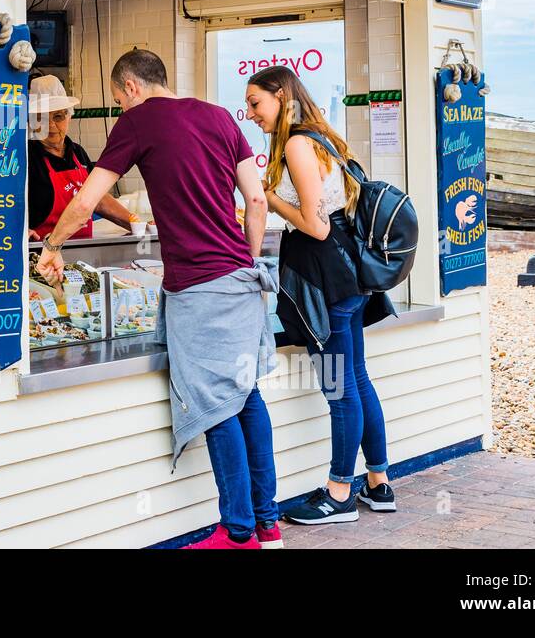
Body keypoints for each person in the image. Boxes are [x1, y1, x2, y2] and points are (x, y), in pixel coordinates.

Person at [36, 49, 281, 550]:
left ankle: (238, 535)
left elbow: (85, 199)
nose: (121, 108)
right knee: (246, 395)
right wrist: (245, 261)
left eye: (117, 99)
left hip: (199, 287)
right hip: (242, 280)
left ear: (129, 87)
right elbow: (255, 200)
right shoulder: (217, 116)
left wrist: (52, 247)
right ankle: (267, 526)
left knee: (215, 406)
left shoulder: (138, 122)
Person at [244, 65, 398, 524]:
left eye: (256, 103)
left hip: (327, 280)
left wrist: (269, 201)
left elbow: (315, 224)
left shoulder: (295, 143)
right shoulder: (321, 136)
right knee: (357, 378)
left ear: (280, 96)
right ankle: (377, 483)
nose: (250, 114)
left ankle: (338, 494)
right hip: (346, 276)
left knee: (340, 388)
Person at [26, 74, 135, 241]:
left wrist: (136, 224)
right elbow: (7, 204)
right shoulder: (26, 156)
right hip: (42, 255)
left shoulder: (78, 153)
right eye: (41, 118)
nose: (51, 126)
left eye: (58, 117)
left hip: (82, 252)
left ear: (69, 116)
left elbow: (97, 198)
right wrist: (20, 232)